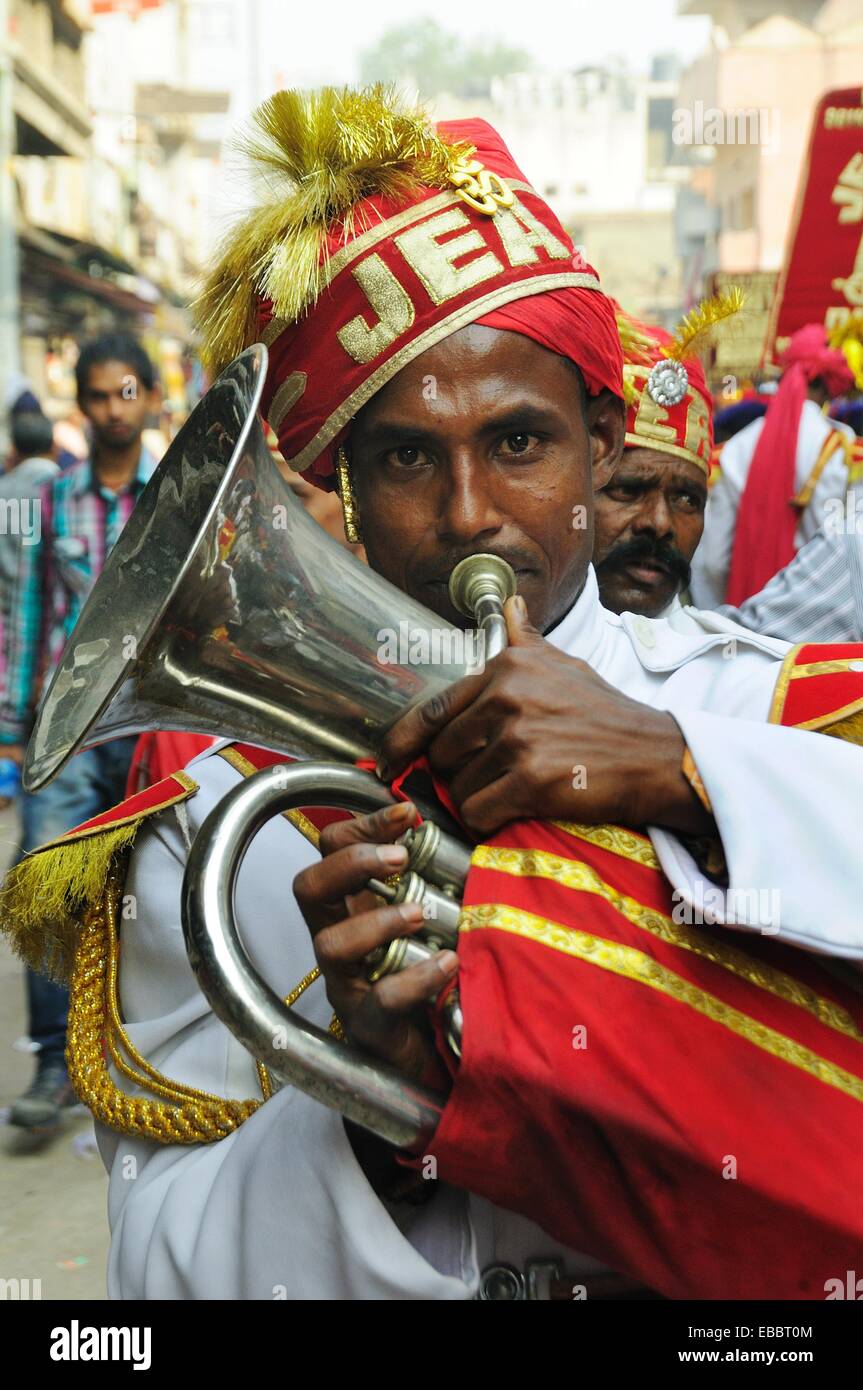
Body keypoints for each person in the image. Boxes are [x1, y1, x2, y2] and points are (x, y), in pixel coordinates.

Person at [4, 88, 863, 1298]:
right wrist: (371, 1118)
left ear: (603, 442)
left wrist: (676, 766)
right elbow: (156, 1270)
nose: (467, 512)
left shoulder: (765, 708)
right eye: (406, 456)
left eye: (518, 443)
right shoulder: (209, 827)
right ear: (339, 483)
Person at [0, 334, 160, 1130]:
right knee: (48, 880)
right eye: (97, 396)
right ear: (82, 407)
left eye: (125, 392)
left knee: (152, 890)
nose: (111, 409)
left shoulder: (177, 488)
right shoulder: (52, 500)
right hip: (66, 731)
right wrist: (10, 730)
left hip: (155, 723)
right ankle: (54, 1065)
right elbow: (27, 614)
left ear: (151, 399)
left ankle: (145, 1050)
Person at [690, 323, 855, 608]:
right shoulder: (845, 450)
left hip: (745, 622)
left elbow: (714, 562)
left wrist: (724, 618)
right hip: (822, 628)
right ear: (827, 388)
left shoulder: (735, 449)